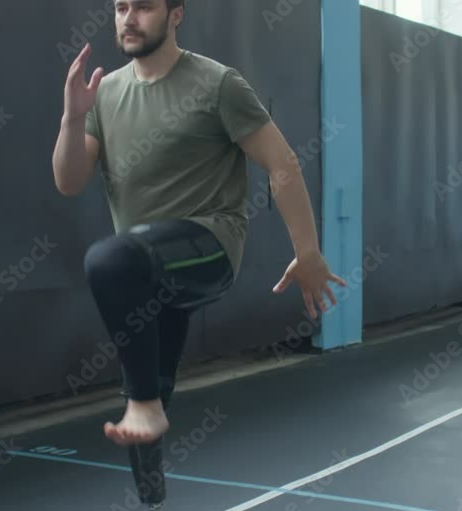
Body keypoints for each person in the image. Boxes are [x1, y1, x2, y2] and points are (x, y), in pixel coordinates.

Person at [52, 0, 346, 447]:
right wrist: (72, 118)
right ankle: (152, 498)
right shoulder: (104, 93)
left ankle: (145, 406)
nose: (128, 18)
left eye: (144, 7)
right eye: (120, 7)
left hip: (209, 248)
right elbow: (69, 181)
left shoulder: (217, 84)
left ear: (176, 14)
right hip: (143, 271)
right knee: (143, 411)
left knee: (106, 261)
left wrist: (307, 252)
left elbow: (282, 163)